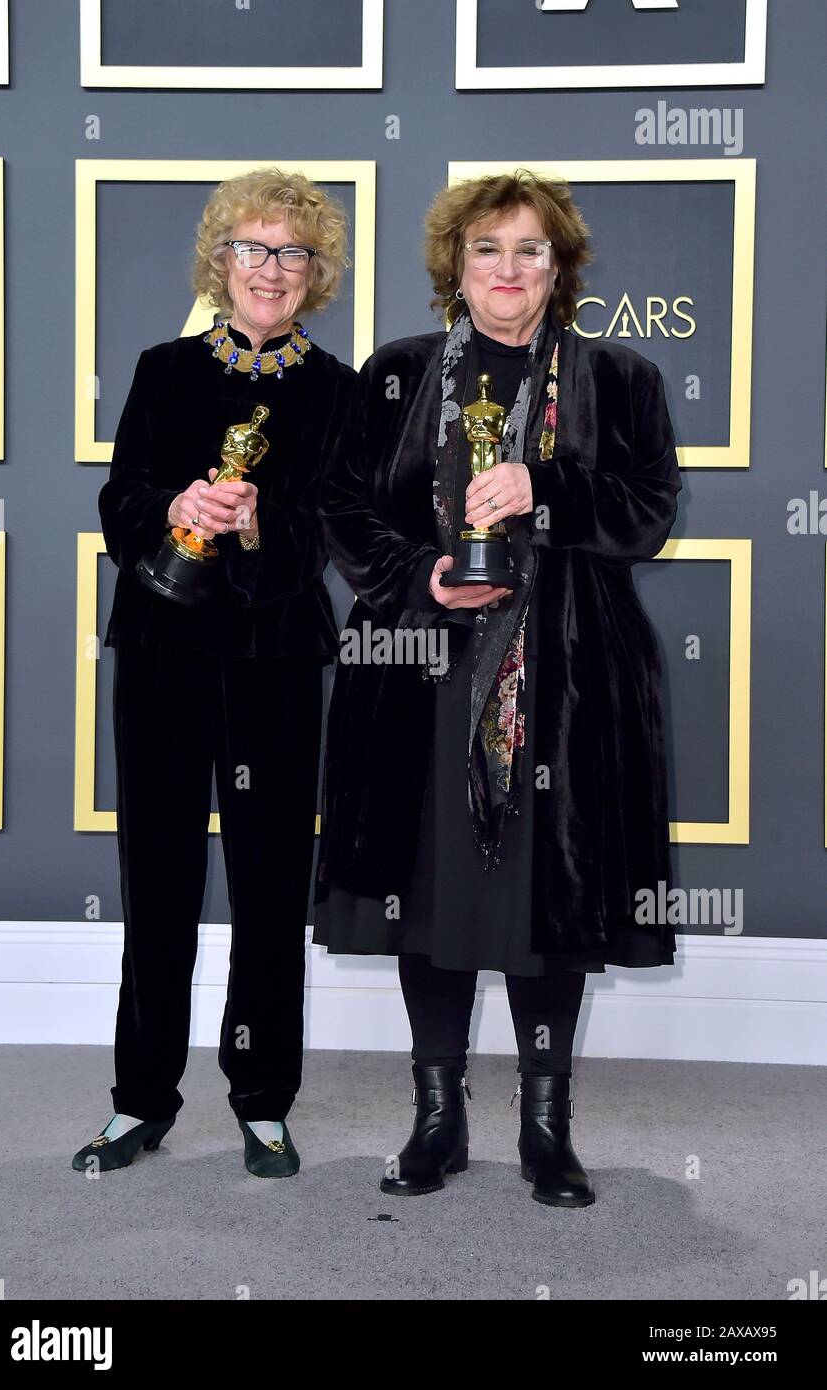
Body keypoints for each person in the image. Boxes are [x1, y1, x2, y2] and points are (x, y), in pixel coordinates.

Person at [313, 168, 682, 1207]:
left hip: (566, 676)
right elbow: (343, 509)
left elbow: (648, 511)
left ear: (557, 266)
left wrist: (545, 486)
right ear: (455, 266)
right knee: (423, 894)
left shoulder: (617, 379)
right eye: (487, 249)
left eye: (529, 249)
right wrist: (415, 578)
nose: (507, 269)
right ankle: (436, 1118)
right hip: (420, 672)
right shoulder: (396, 373)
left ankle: (544, 1125)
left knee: (543, 902)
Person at [72, 168, 356, 1178]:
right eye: (251, 248)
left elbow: (333, 525)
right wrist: (177, 508)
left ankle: (262, 1098)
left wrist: (254, 525)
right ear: (220, 261)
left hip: (272, 655)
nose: (270, 269)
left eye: (291, 252)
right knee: (154, 877)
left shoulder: (337, 389)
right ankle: (140, 1099)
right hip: (160, 649)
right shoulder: (162, 368)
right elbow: (119, 502)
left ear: (314, 272)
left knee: (271, 885)